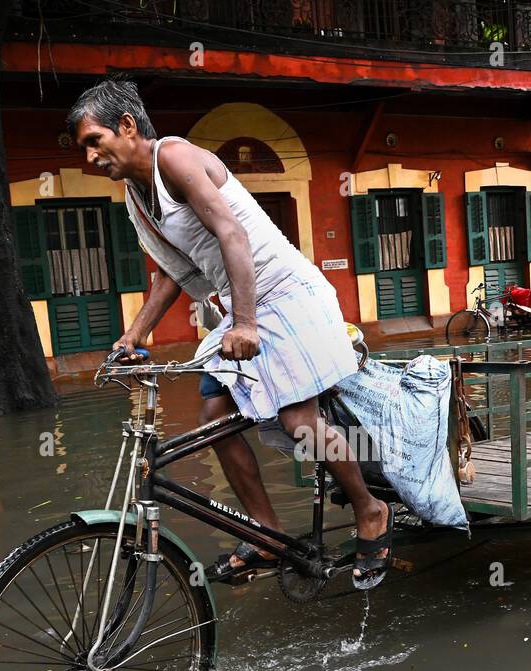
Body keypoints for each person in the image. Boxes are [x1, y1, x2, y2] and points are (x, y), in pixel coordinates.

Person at [66, 78, 394, 589]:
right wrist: (134, 335)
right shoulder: (136, 194)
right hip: (242, 302)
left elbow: (231, 233)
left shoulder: (174, 157)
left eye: (93, 141)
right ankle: (266, 533)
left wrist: (244, 323)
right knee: (213, 414)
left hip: (285, 293)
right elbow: (173, 271)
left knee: (296, 418)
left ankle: (370, 509)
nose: (90, 157)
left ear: (127, 127)